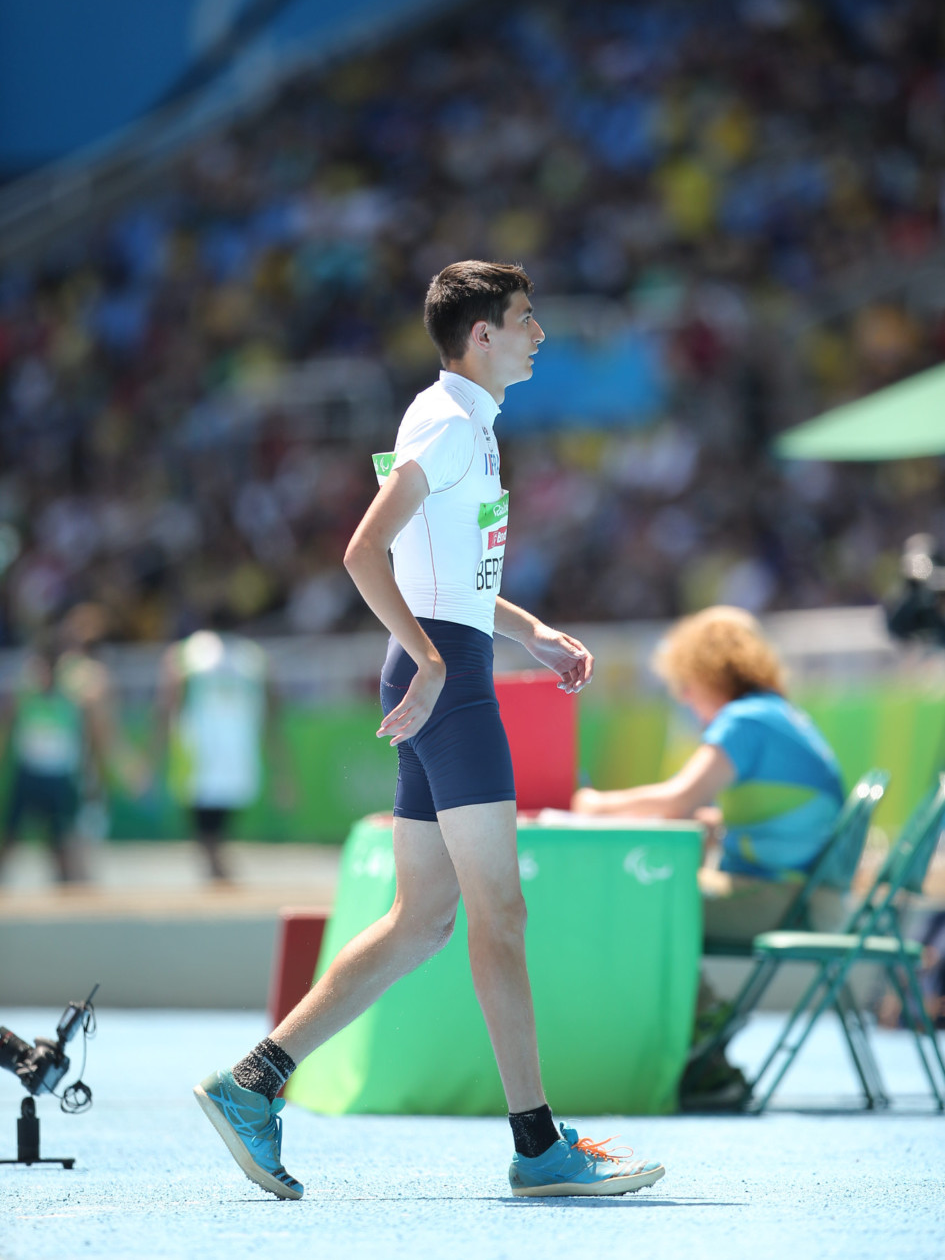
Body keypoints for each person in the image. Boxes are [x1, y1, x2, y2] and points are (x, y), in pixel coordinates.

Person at [194, 260, 665, 1199]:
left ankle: (253, 1083)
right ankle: (537, 1146)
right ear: (480, 334)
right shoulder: (451, 425)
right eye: (526, 320)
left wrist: (526, 632)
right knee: (498, 913)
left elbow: (449, 575)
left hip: (444, 666)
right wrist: (437, 662)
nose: (540, 335)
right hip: (446, 684)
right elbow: (365, 554)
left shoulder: (460, 425)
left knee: (422, 920)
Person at [572, 605, 846, 1105]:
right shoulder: (779, 713)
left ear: (707, 672)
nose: (681, 697)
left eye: (684, 683)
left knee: (641, 905)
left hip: (782, 899)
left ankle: (705, 1022)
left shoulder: (745, 720)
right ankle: (707, 1054)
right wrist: (722, 821)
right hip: (803, 894)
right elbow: (778, 811)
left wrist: (595, 804)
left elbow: (679, 798)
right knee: (652, 900)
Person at [156, 617, 295, 882]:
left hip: (197, 760)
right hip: (236, 762)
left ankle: (219, 877)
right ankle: (219, 876)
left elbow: (165, 709)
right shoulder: (255, 658)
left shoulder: (184, 656)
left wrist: (154, 756)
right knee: (214, 835)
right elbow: (273, 719)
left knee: (208, 836)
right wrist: (283, 773)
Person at [0, 634, 111, 884]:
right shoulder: (24, 692)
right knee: (10, 834)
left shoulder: (74, 696)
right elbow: (8, 730)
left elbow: (91, 736)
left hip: (60, 777)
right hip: (29, 772)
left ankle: (69, 885)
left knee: (61, 839)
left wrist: (92, 774)